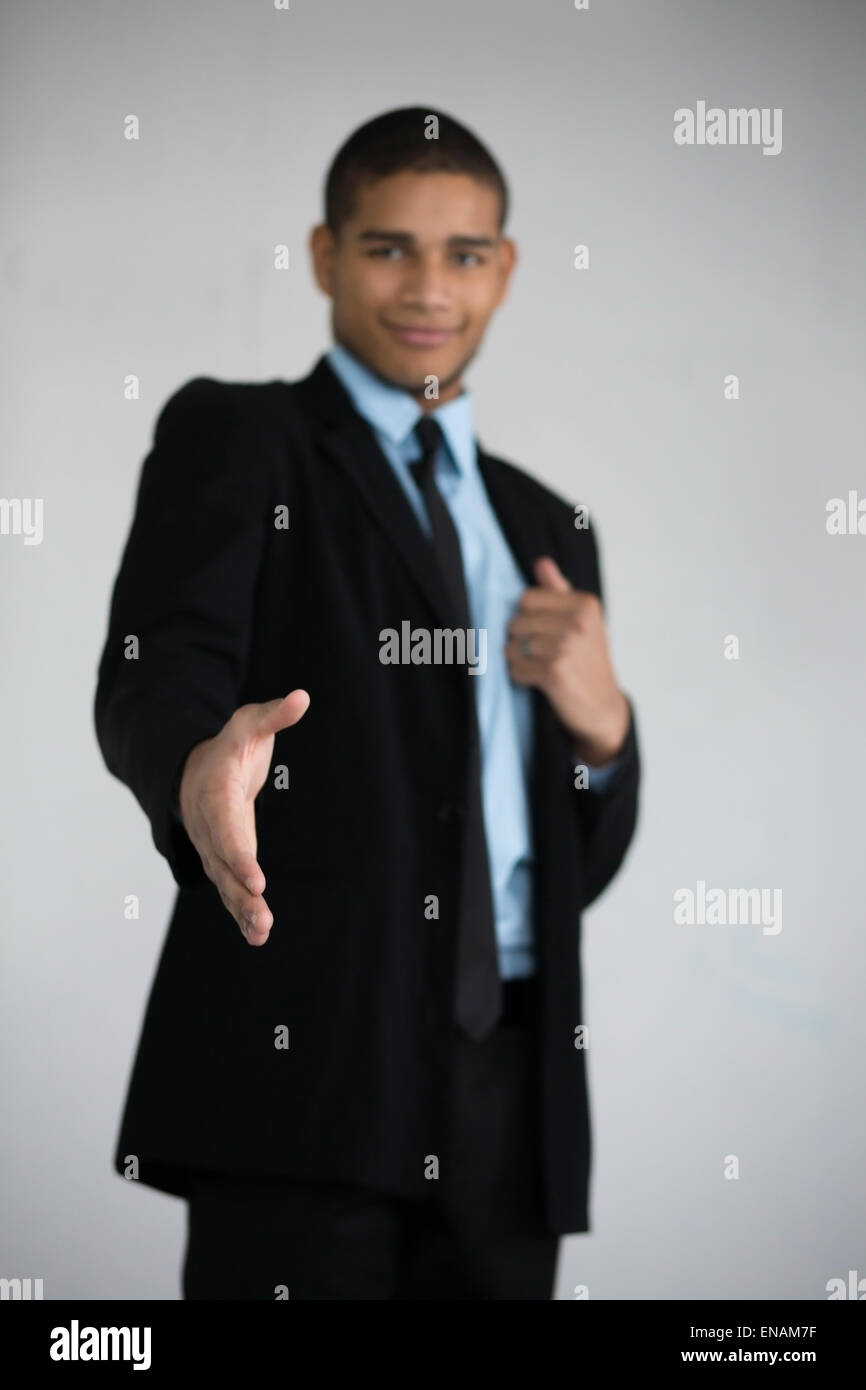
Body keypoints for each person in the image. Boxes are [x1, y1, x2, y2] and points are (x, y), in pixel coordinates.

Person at [94, 106, 641, 1300]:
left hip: (508, 1090)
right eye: (388, 246)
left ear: (503, 268)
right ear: (324, 254)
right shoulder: (240, 437)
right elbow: (161, 656)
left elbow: (573, 866)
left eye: (463, 252)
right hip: (307, 1067)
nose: (426, 286)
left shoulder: (548, 527)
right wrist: (194, 763)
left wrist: (604, 734)